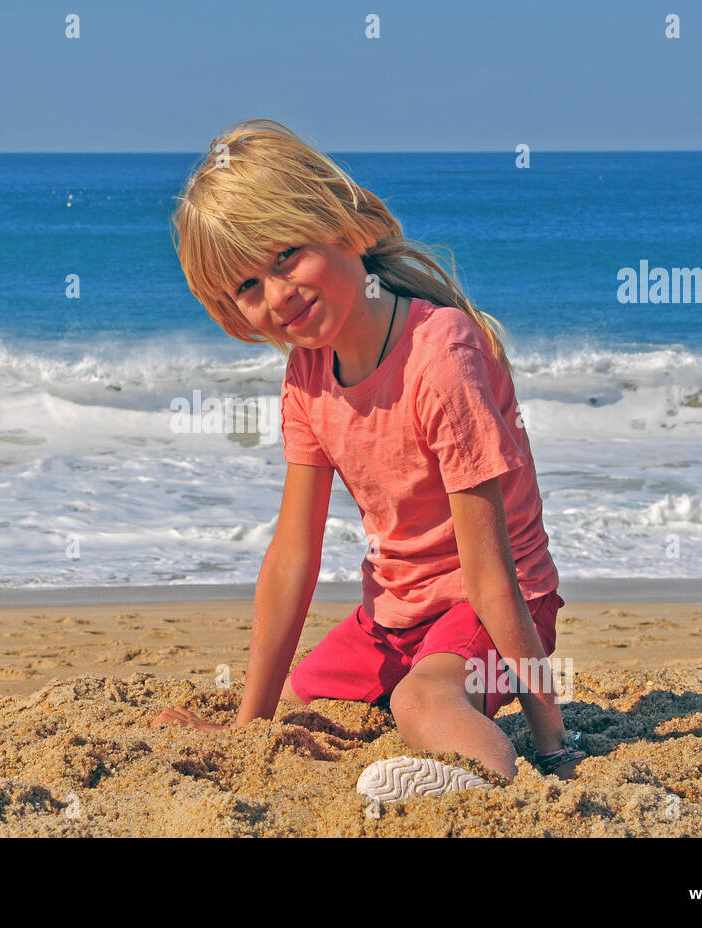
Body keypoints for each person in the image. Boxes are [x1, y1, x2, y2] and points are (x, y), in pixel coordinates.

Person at [155, 118, 585, 785]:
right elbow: (294, 554)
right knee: (303, 704)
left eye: (285, 256)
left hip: (498, 611)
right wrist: (251, 725)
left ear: (344, 228)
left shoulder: (441, 355)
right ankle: (416, 702)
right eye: (247, 287)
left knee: (421, 701)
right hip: (392, 615)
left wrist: (550, 736)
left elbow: (492, 569)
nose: (277, 297)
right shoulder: (308, 374)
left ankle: (486, 790)